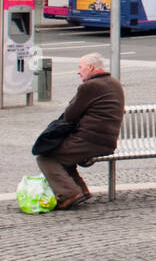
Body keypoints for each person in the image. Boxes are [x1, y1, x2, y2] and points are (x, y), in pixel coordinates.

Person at [35, 53, 125, 209]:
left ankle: (69, 194)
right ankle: (80, 190)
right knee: (64, 157)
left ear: (90, 67)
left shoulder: (90, 86)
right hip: (106, 140)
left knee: (46, 156)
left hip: (90, 140)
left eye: (80, 67)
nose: (78, 72)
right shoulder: (114, 83)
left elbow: (70, 114)